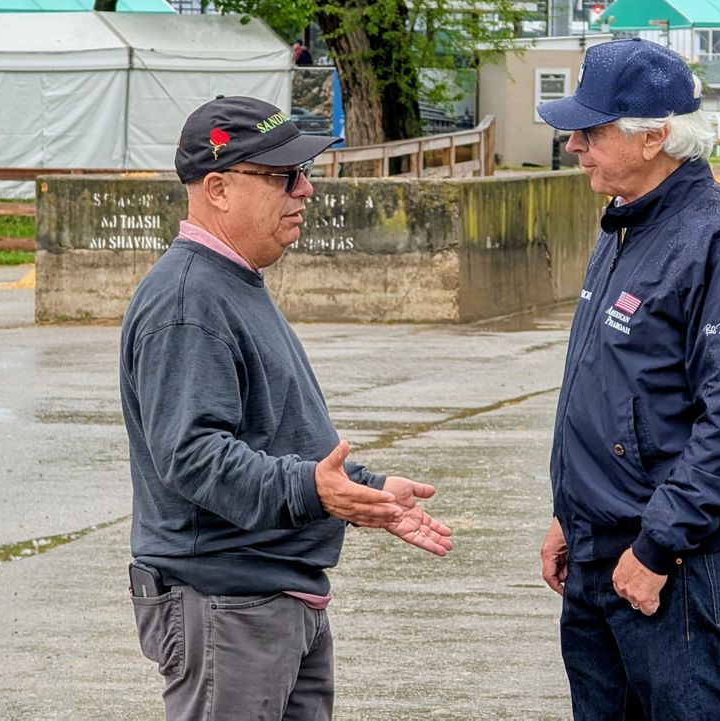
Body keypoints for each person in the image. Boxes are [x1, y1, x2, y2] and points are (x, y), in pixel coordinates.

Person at [120, 94, 453, 720]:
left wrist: (365, 492)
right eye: (283, 176)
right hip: (226, 602)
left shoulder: (233, 281)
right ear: (218, 188)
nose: (304, 190)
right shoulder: (189, 301)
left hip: (270, 595)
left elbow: (278, 439)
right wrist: (317, 491)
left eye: (304, 173)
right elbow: (192, 458)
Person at [535, 38, 720, 719]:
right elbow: (612, 393)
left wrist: (656, 546)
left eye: (591, 130)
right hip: (594, 556)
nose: (575, 145)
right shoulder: (622, 225)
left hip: (663, 571)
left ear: (657, 137)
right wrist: (569, 512)